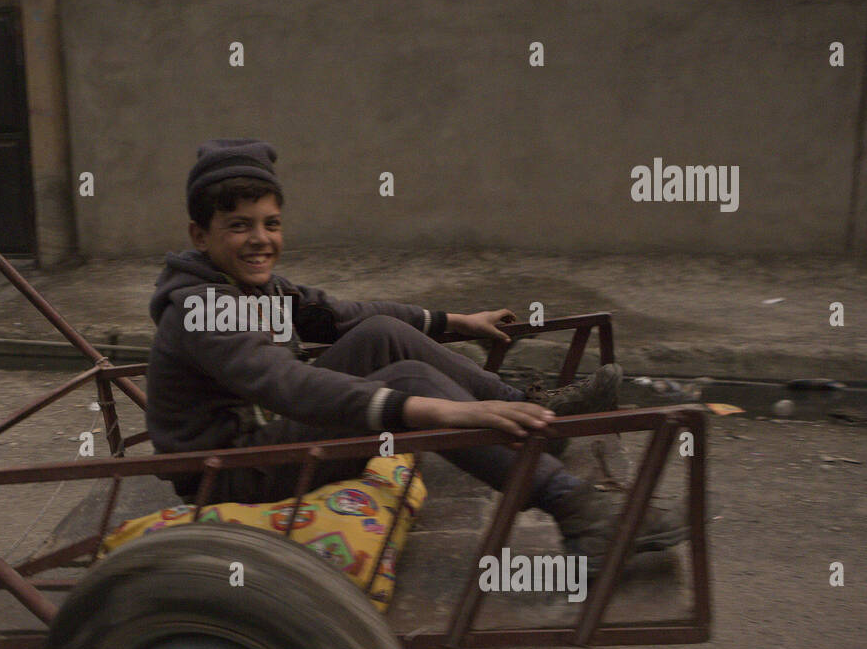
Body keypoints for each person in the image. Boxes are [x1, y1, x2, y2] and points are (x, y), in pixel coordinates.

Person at [146, 138, 688, 569]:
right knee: (410, 381)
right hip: (231, 469)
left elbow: (343, 315)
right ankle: (580, 511)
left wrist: (456, 322)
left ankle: (532, 407)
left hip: (265, 437)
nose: (260, 239)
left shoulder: (253, 286)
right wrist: (437, 411)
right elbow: (288, 384)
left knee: (381, 331)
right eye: (238, 226)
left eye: (271, 223)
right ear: (200, 234)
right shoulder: (202, 305)